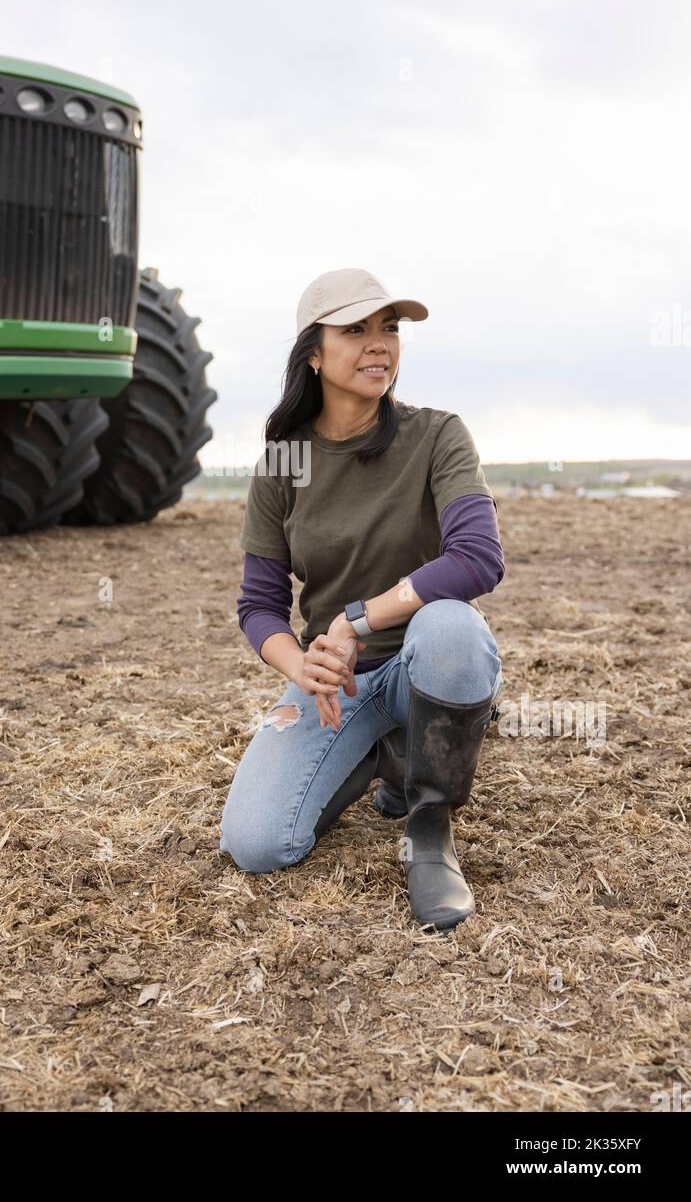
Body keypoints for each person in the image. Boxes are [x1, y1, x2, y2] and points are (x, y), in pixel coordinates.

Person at [219, 268, 505, 931]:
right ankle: (383, 757)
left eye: (389, 329)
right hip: (337, 684)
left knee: (449, 627)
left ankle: (429, 822)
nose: (379, 345)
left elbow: (476, 559)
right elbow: (259, 605)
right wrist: (298, 665)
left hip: (424, 669)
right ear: (313, 354)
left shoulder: (436, 436)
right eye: (355, 331)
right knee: (257, 845)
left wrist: (357, 620)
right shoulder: (282, 464)